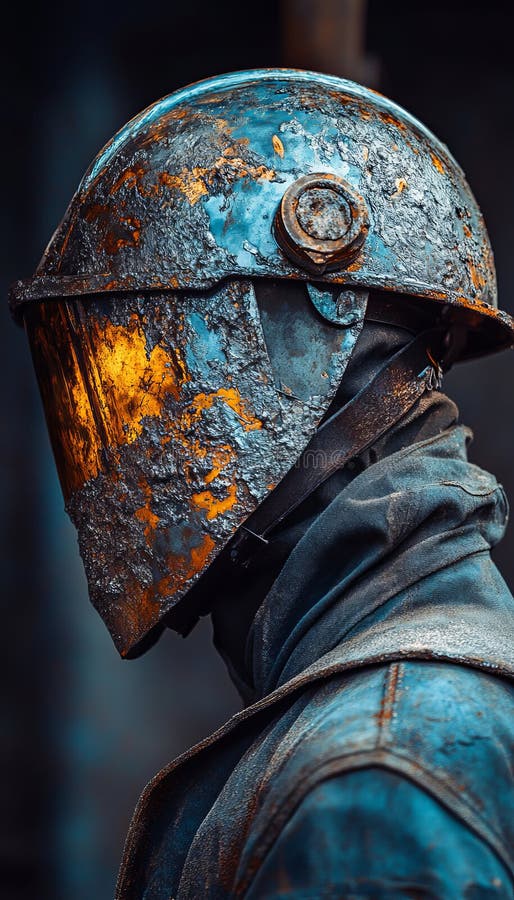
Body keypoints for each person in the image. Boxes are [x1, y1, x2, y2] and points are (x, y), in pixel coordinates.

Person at [10, 69, 514, 898]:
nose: (128, 426)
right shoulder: (404, 712)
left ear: (306, 360)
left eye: (155, 370)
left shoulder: (374, 790)